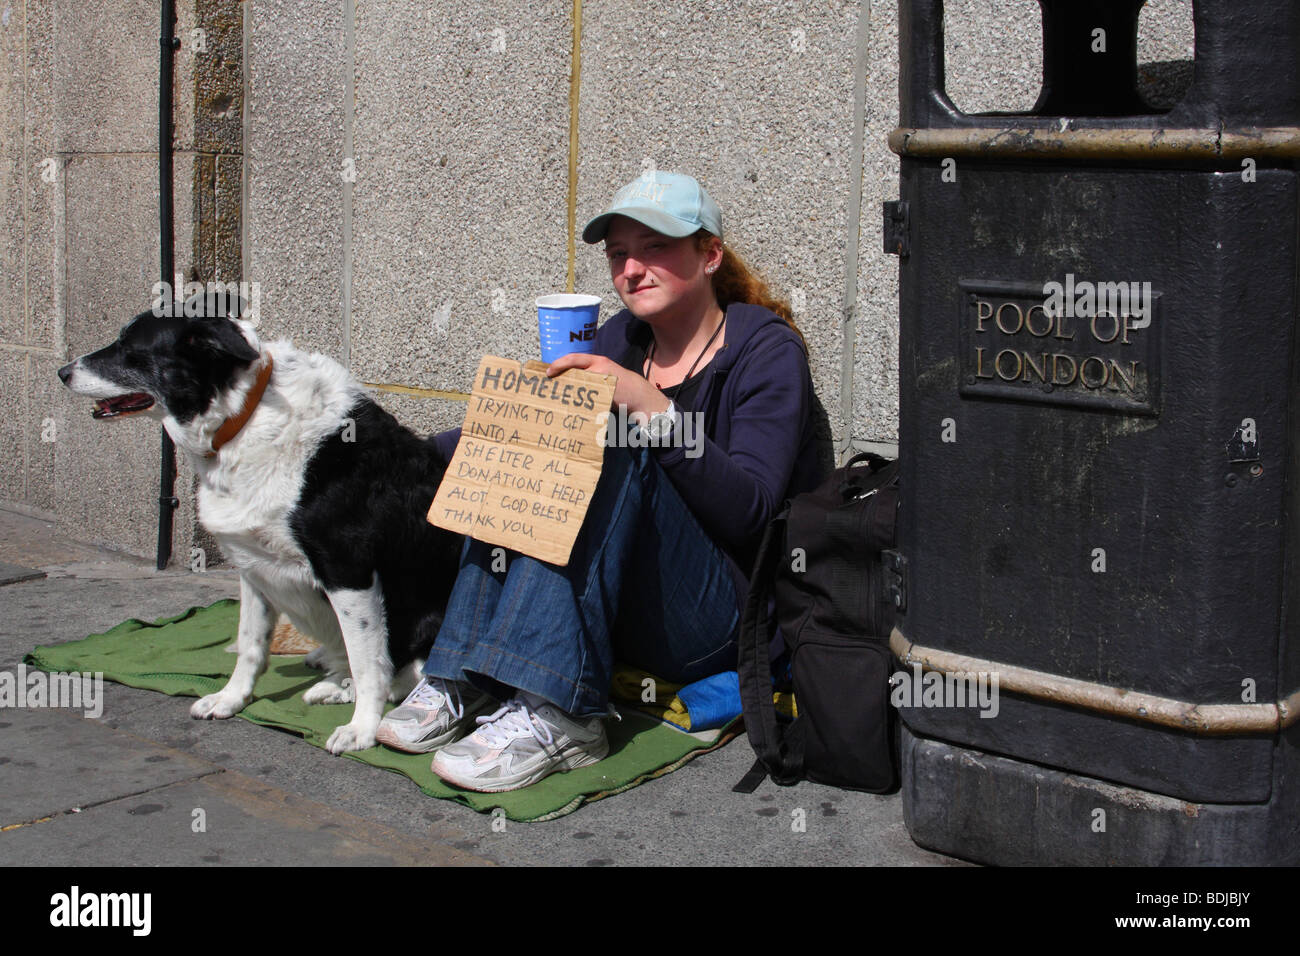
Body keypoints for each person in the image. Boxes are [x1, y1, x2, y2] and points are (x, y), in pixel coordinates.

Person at [375, 170, 827, 792]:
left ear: (709, 254)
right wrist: (405, 456)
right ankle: (461, 675)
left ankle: (560, 711)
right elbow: (521, 434)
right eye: (619, 254)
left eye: (656, 247)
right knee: (543, 443)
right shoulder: (620, 338)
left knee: (614, 440)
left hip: (721, 619)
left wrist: (651, 408)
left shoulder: (766, 352)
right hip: (628, 608)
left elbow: (751, 513)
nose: (632, 268)